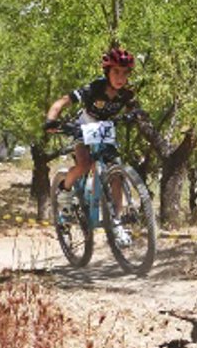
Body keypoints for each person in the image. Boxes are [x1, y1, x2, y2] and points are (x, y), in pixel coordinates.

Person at [45, 46, 140, 246]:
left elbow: (135, 110)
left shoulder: (126, 94)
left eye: (125, 73)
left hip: (105, 130)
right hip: (84, 127)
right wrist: (51, 119)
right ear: (107, 72)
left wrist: (137, 116)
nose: (120, 77)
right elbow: (62, 101)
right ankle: (64, 193)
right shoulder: (93, 89)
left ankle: (116, 221)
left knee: (117, 172)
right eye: (116, 72)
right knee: (85, 163)